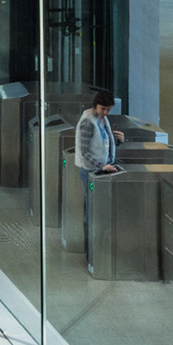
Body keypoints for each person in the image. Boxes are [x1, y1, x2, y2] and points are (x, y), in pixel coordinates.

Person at [71, 89, 121, 255]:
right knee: (91, 211)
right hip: (90, 172)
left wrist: (118, 140)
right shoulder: (88, 122)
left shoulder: (101, 119)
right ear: (95, 105)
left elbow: (102, 142)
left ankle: (95, 249)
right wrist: (101, 166)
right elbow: (85, 152)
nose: (106, 113)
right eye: (103, 109)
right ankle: (89, 250)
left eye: (108, 109)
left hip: (101, 170)